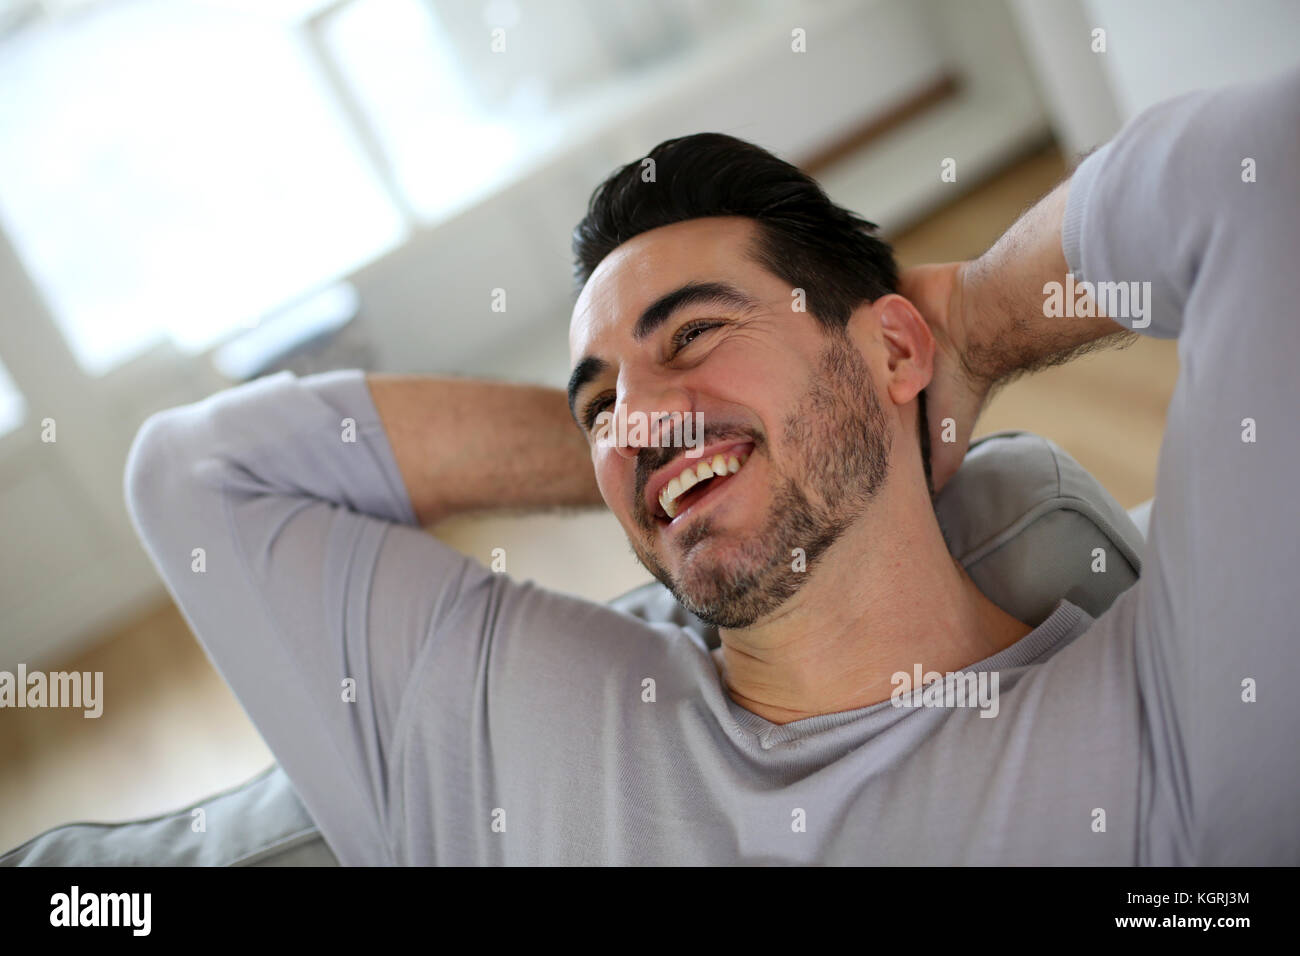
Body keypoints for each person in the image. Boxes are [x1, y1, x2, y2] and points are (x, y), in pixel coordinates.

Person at [125, 65, 1300, 864]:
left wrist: (977, 319)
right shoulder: (504, 710)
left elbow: (1261, 164)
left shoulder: (1154, 745)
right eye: (599, 400)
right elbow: (197, 475)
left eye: (692, 333)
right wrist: (689, 428)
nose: (633, 417)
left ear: (893, 346)